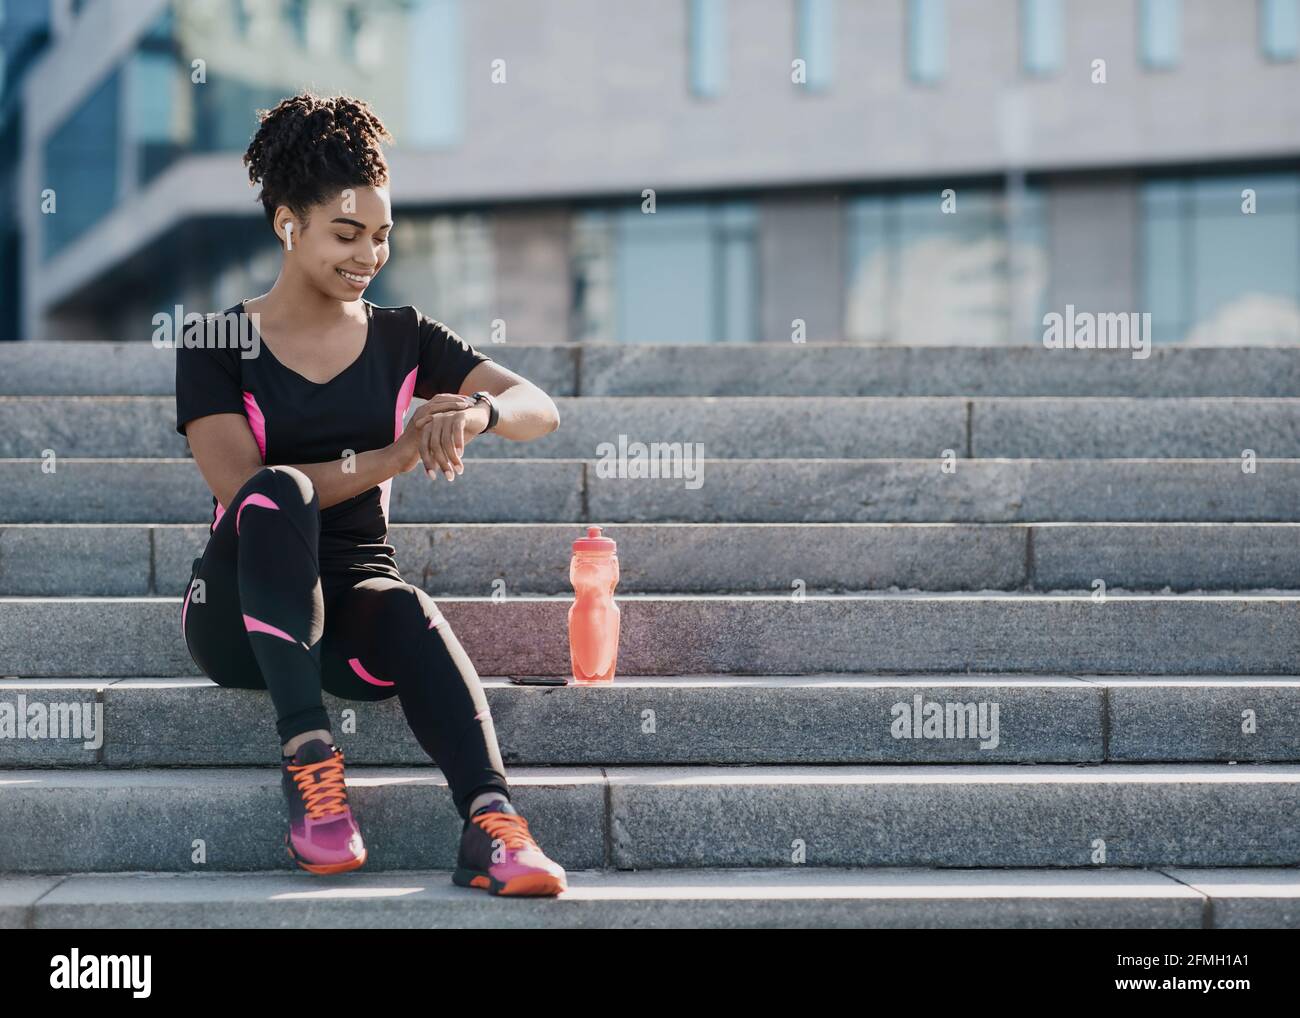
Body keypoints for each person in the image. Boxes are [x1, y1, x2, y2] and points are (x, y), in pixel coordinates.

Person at [174, 92, 566, 896]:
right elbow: (238, 485)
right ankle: (312, 768)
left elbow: (542, 408)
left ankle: (493, 826)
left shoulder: (404, 336)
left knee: (408, 606)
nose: (369, 255)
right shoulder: (218, 342)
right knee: (278, 490)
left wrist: (480, 411)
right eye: (347, 234)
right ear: (290, 224)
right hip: (238, 617)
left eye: (382, 236)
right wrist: (395, 454)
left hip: (350, 612)